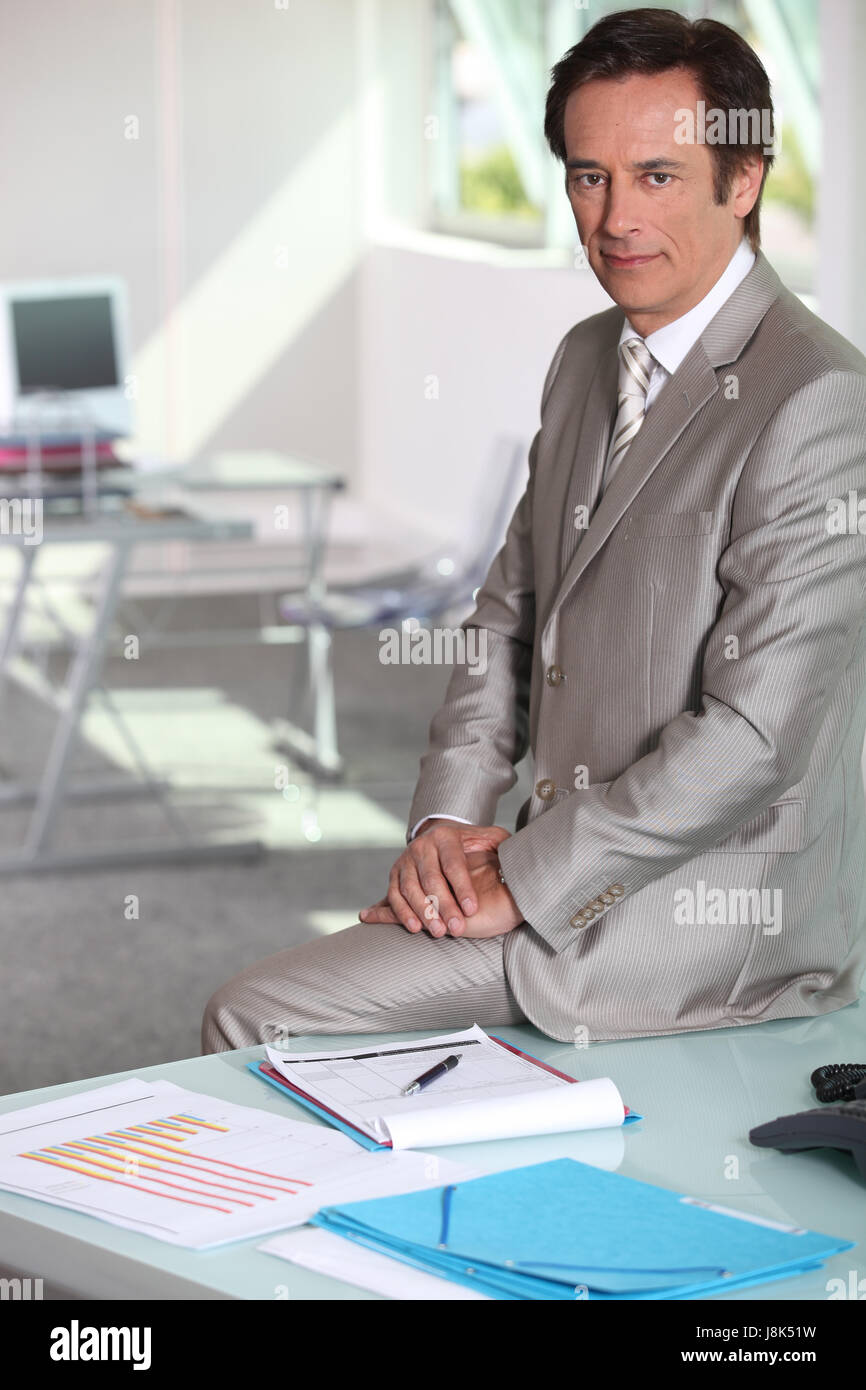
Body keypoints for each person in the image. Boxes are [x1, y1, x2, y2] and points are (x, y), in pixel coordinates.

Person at [202, 7, 866, 1053]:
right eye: (589, 177)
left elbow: (754, 736)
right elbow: (507, 617)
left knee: (254, 1014)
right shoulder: (587, 356)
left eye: (657, 176)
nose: (615, 219)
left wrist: (522, 877)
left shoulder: (817, 399)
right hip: (554, 869)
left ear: (742, 181)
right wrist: (448, 823)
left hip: (706, 923)